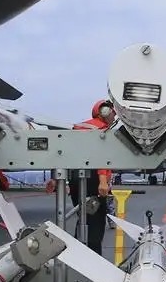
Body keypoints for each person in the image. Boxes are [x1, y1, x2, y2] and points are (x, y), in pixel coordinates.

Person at [47, 100, 115, 255]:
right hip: (94, 179)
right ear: (104, 112)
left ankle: (77, 254)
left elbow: (62, 153)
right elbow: (101, 156)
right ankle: (92, 261)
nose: (113, 116)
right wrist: (103, 181)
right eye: (112, 113)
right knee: (96, 222)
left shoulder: (78, 128)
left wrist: (56, 179)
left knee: (83, 217)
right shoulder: (102, 130)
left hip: (75, 179)